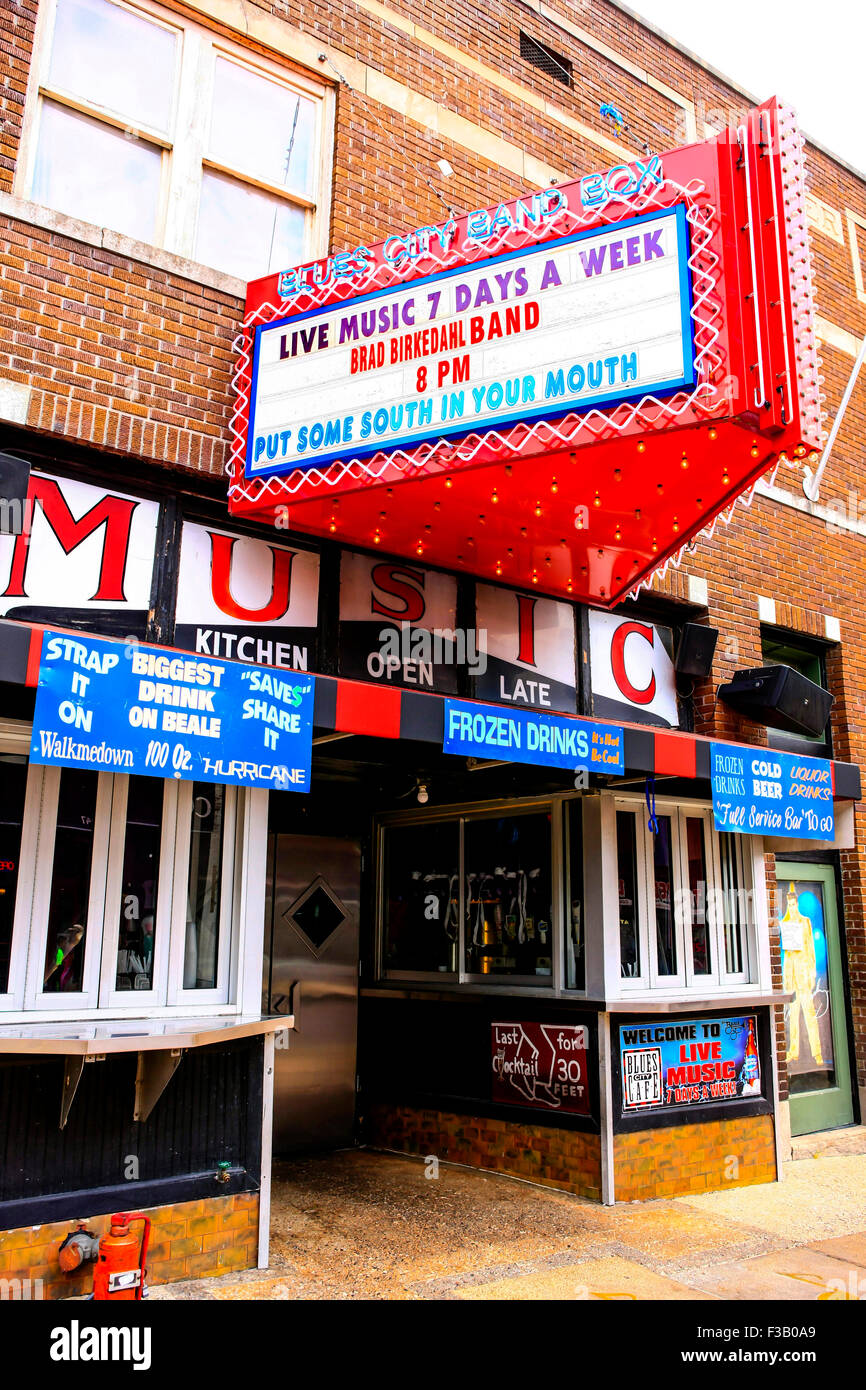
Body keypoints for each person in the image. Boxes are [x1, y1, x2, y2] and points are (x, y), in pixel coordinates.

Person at [780, 882, 824, 1067]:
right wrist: (784, 977)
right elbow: (786, 954)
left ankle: (817, 1052)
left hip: (804, 974)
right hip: (791, 975)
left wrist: (812, 972)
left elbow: (810, 948)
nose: (791, 907)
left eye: (793, 904)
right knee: (794, 1013)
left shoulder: (804, 922)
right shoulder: (784, 923)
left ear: (796, 904)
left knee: (809, 1013)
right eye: (788, 905)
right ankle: (794, 1051)